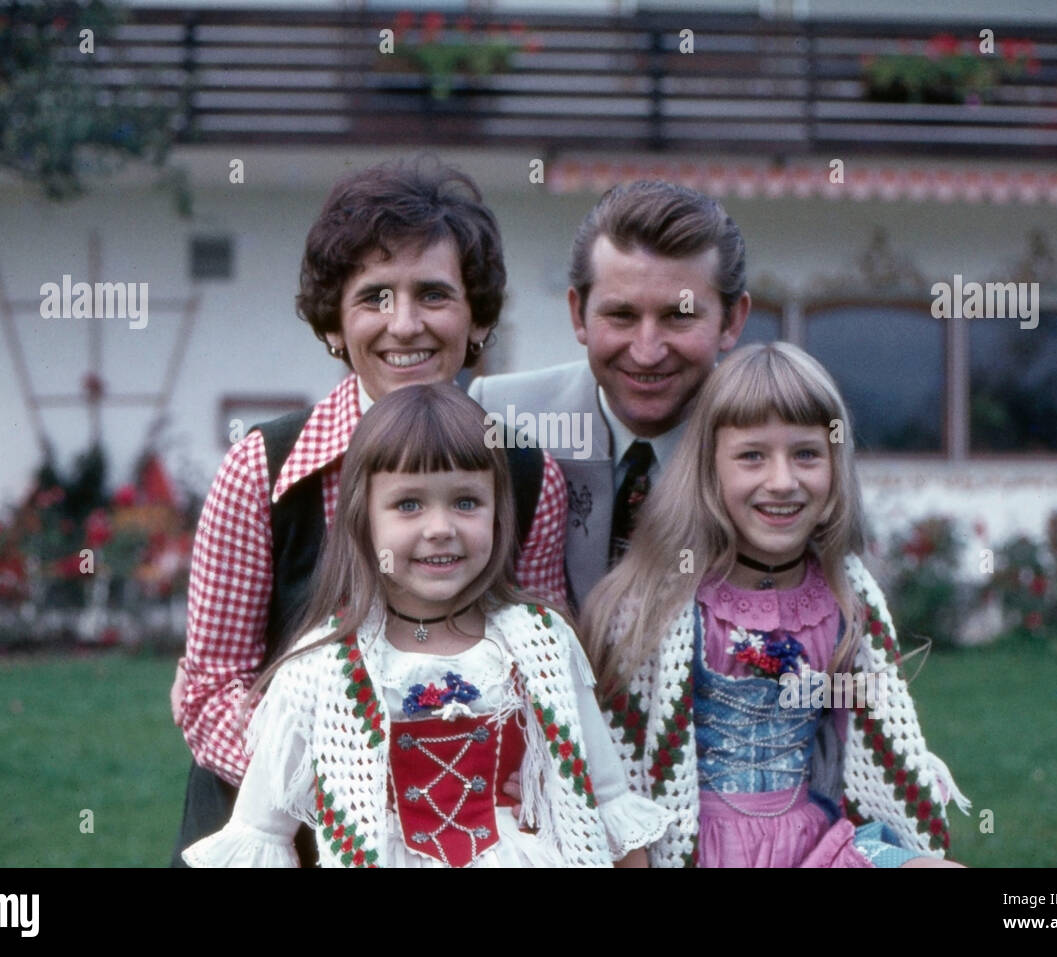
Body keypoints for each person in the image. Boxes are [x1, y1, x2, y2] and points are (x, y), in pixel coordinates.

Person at [171, 159, 570, 865]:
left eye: (434, 294)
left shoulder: (529, 478)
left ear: (475, 316)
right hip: (279, 838)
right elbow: (208, 691)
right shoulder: (262, 472)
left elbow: (543, 682)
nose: (404, 324)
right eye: (375, 296)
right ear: (335, 321)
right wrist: (355, 781)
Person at [182, 384, 671, 867]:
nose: (441, 528)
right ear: (362, 519)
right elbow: (260, 835)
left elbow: (606, 802)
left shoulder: (541, 642)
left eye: (465, 502)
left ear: (499, 513)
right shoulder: (318, 670)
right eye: (409, 505)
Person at [582, 342, 969, 867]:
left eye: (807, 453)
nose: (782, 481)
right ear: (709, 468)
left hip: (820, 844)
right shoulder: (660, 599)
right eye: (752, 456)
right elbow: (615, 770)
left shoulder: (846, 593)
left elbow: (876, 737)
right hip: (696, 845)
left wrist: (910, 782)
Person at [470, 180, 751, 612]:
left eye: (679, 316)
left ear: (732, 321)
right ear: (577, 314)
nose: (647, 351)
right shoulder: (502, 420)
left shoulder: (775, 449)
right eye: (621, 315)